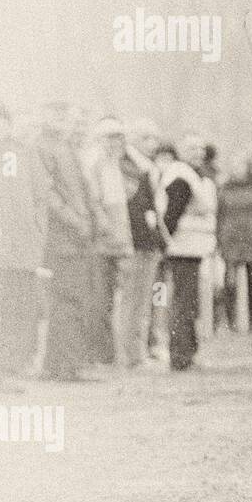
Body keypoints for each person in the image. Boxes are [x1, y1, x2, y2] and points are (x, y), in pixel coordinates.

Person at [0, 99, 49, 376]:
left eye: (2, 120)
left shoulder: (21, 152)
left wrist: (37, 229)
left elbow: (40, 194)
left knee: (22, 305)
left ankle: (16, 361)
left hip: (23, 244)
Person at [38, 102, 96, 381]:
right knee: (67, 299)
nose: (61, 119)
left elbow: (80, 191)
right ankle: (66, 367)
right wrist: (76, 220)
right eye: (55, 113)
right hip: (62, 236)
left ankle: (59, 365)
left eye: (64, 114)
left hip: (77, 235)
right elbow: (48, 194)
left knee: (71, 298)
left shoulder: (66, 147)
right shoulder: (43, 147)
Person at [157, 135, 218, 370]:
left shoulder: (193, 174)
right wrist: (166, 244)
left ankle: (187, 353)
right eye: (192, 148)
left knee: (188, 302)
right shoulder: (182, 177)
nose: (198, 153)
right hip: (182, 247)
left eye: (200, 148)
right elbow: (172, 214)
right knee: (184, 302)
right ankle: (181, 355)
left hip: (192, 247)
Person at [83, 118, 136, 367]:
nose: (115, 143)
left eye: (118, 138)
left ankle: (107, 353)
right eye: (110, 138)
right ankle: (99, 354)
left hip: (118, 241)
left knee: (112, 300)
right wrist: (103, 225)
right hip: (103, 242)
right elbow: (95, 202)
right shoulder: (95, 164)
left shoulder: (117, 166)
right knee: (100, 299)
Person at [119, 119, 166, 368]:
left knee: (145, 301)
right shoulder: (129, 165)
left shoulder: (147, 166)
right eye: (146, 138)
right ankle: (131, 355)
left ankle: (138, 352)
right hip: (137, 242)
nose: (152, 144)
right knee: (133, 302)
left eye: (155, 139)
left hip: (149, 242)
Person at [216, 150, 252, 331]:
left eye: (241, 165)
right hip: (231, 239)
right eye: (234, 166)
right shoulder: (223, 189)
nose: (237, 169)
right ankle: (230, 322)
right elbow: (219, 215)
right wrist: (219, 240)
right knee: (229, 283)